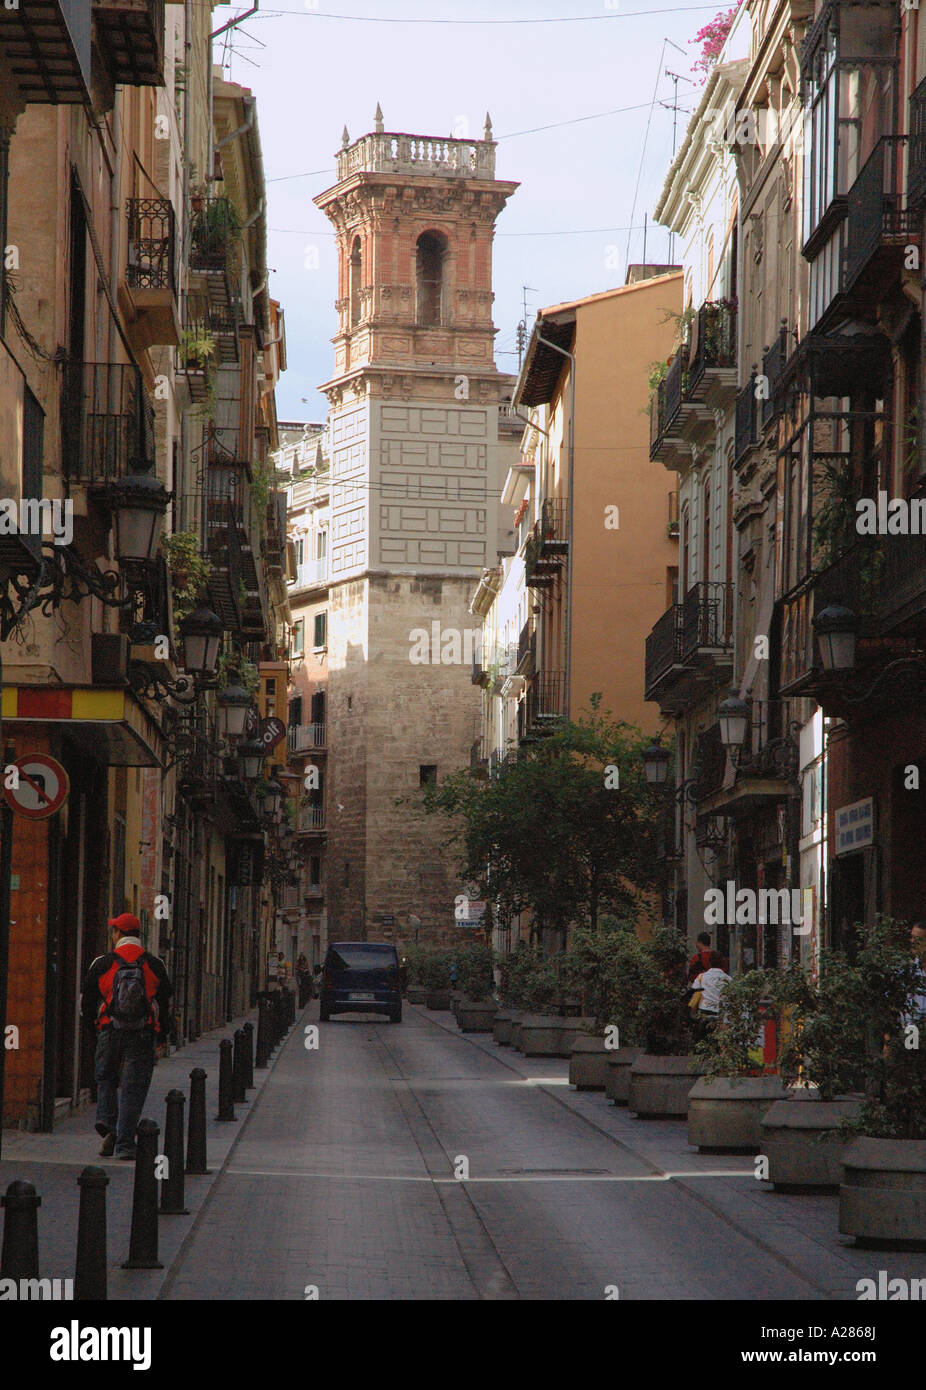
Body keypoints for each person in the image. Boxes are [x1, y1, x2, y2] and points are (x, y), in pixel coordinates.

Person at [81, 913, 172, 1161]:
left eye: (113, 931)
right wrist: (162, 1036)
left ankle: (108, 1124)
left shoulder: (102, 963)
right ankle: (124, 1144)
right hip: (142, 1033)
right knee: (134, 1088)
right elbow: (164, 1002)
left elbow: (87, 1001)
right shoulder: (155, 964)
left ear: (118, 934)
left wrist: (93, 1031)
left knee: (106, 1079)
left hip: (109, 1030)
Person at [690, 950, 732, 1040]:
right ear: (722, 963)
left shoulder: (701, 977)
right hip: (721, 1017)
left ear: (709, 963)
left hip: (704, 1015)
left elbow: (694, 993)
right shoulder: (728, 980)